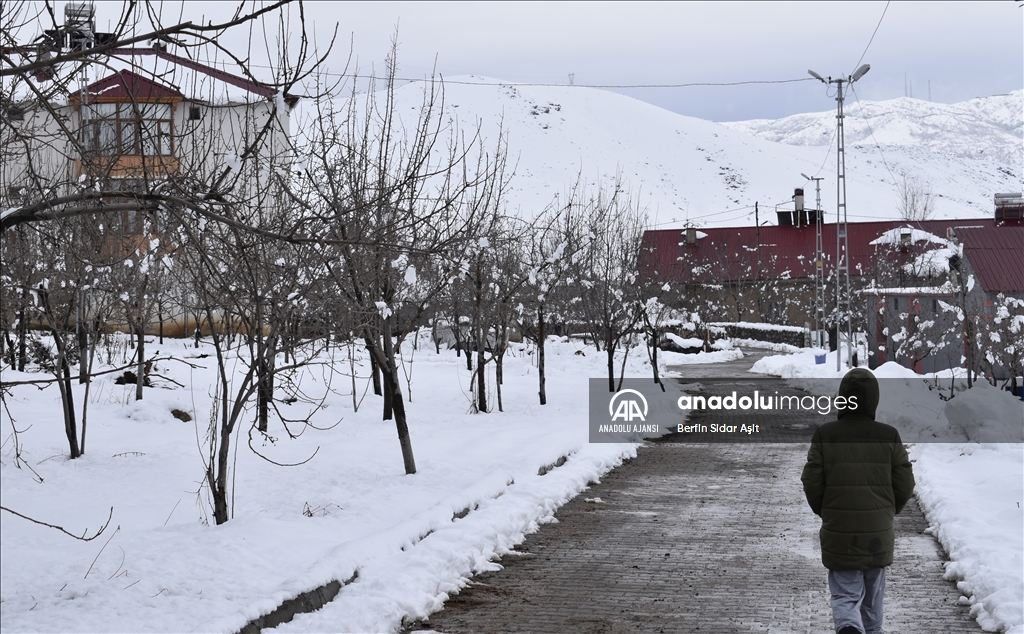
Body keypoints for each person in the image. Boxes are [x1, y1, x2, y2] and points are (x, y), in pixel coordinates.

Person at [801, 368, 915, 634]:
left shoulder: (825, 435)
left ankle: (850, 626)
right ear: (873, 400)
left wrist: (826, 511)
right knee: (873, 594)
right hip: (878, 532)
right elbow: (905, 483)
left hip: (839, 530)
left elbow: (811, 481)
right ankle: (871, 629)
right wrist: (887, 511)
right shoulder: (889, 435)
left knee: (845, 593)